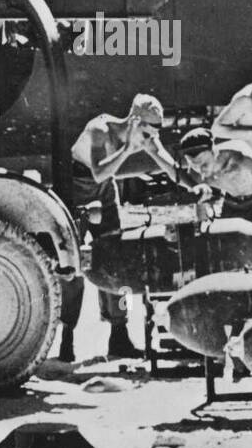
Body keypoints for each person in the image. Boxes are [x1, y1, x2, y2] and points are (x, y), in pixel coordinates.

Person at [57, 94, 179, 361]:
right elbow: (98, 171)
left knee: (118, 258)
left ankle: (119, 335)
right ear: (135, 120)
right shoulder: (100, 129)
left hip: (105, 190)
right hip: (77, 186)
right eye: (150, 128)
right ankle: (67, 336)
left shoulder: (146, 136)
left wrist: (192, 182)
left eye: (157, 129)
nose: (153, 136)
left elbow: (169, 165)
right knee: (74, 264)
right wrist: (127, 149)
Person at [174, 129, 252, 229]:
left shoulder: (239, 156)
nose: (201, 171)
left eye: (204, 164)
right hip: (231, 204)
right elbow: (178, 177)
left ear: (214, 151)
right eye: (194, 165)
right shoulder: (195, 172)